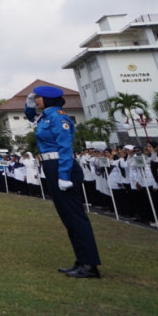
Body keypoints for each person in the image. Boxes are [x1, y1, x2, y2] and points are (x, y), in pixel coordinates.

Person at [27, 85, 102, 278]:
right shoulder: (45, 117)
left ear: (48, 99)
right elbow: (30, 118)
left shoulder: (59, 117)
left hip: (62, 166)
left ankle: (90, 264)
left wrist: (64, 175)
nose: (36, 100)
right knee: (67, 218)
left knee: (76, 217)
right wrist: (28, 106)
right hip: (51, 166)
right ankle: (81, 260)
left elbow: (65, 148)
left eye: (38, 98)